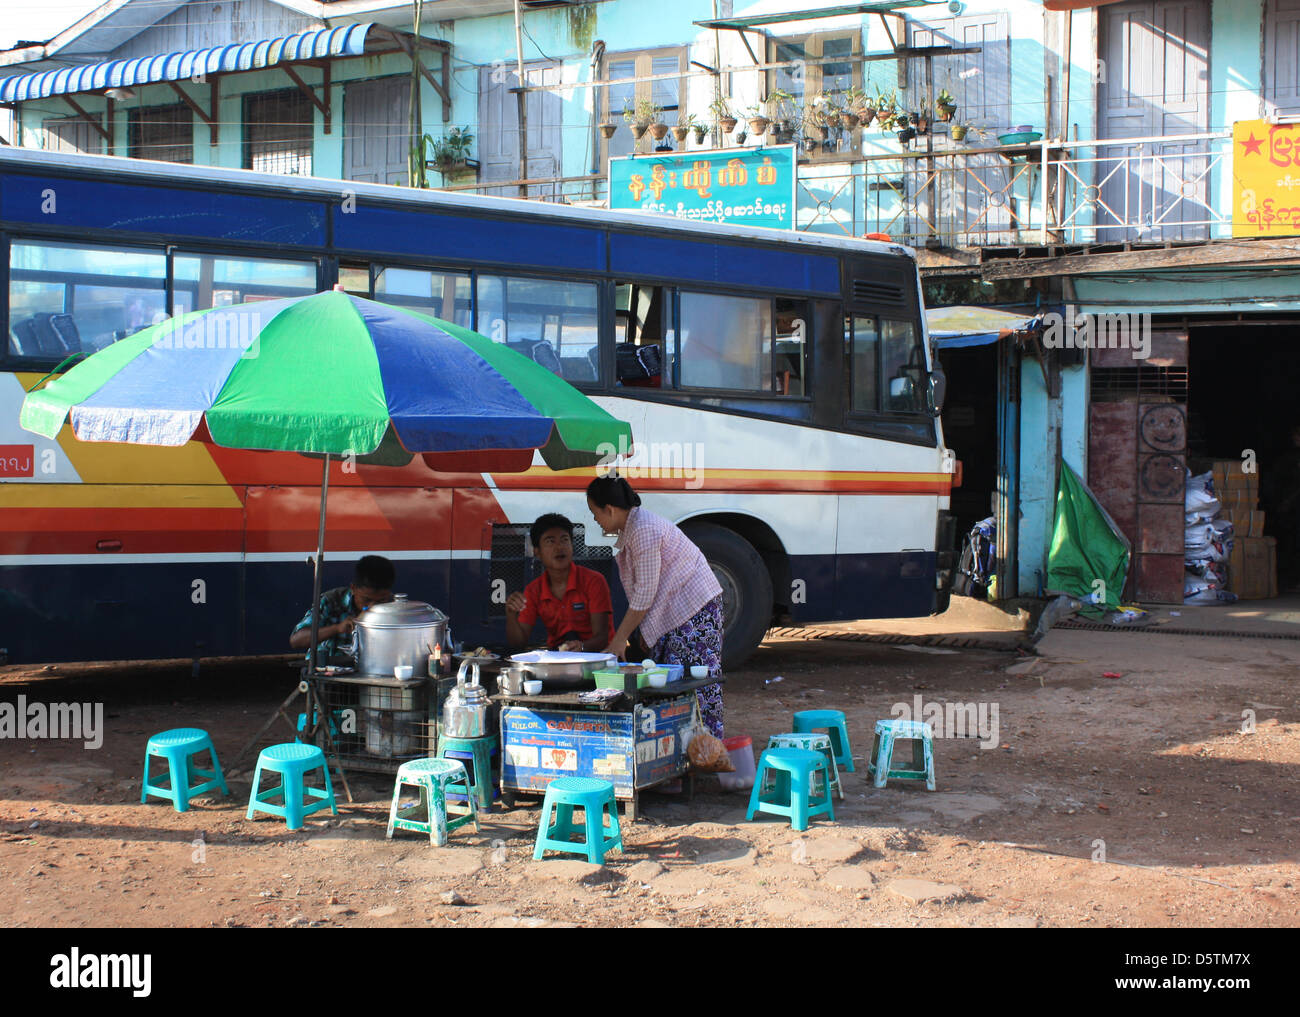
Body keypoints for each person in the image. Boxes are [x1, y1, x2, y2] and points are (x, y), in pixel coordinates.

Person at [586, 475, 726, 736]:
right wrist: (646, 633)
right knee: (671, 683)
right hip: (678, 611)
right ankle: (681, 751)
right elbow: (649, 593)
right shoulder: (636, 528)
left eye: (595, 513)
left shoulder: (643, 530)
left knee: (691, 684)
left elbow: (645, 594)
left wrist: (620, 639)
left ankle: (704, 750)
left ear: (610, 509)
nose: (595, 519)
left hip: (694, 610)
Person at [506, 514, 612, 651]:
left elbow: (602, 638)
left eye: (564, 540)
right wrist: (511, 615)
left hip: (596, 659)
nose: (559, 547)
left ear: (572, 546)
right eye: (550, 541)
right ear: (537, 551)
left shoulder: (594, 581)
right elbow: (518, 644)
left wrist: (582, 647)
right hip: (557, 659)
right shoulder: (534, 590)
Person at [289, 555, 396, 661]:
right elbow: (296, 640)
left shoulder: (394, 607)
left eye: (380, 601)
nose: (371, 607)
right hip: (327, 671)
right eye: (366, 600)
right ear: (353, 588)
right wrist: (337, 628)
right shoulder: (332, 601)